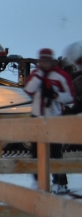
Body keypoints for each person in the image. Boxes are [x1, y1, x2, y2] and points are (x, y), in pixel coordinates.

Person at [23, 48, 74, 195]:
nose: (44, 63)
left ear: (51, 60)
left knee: (55, 152)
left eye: (46, 60)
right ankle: (38, 182)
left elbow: (70, 96)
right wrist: (40, 76)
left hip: (54, 117)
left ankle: (60, 182)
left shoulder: (61, 75)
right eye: (41, 60)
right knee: (35, 151)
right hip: (37, 117)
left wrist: (54, 94)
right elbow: (28, 89)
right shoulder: (36, 74)